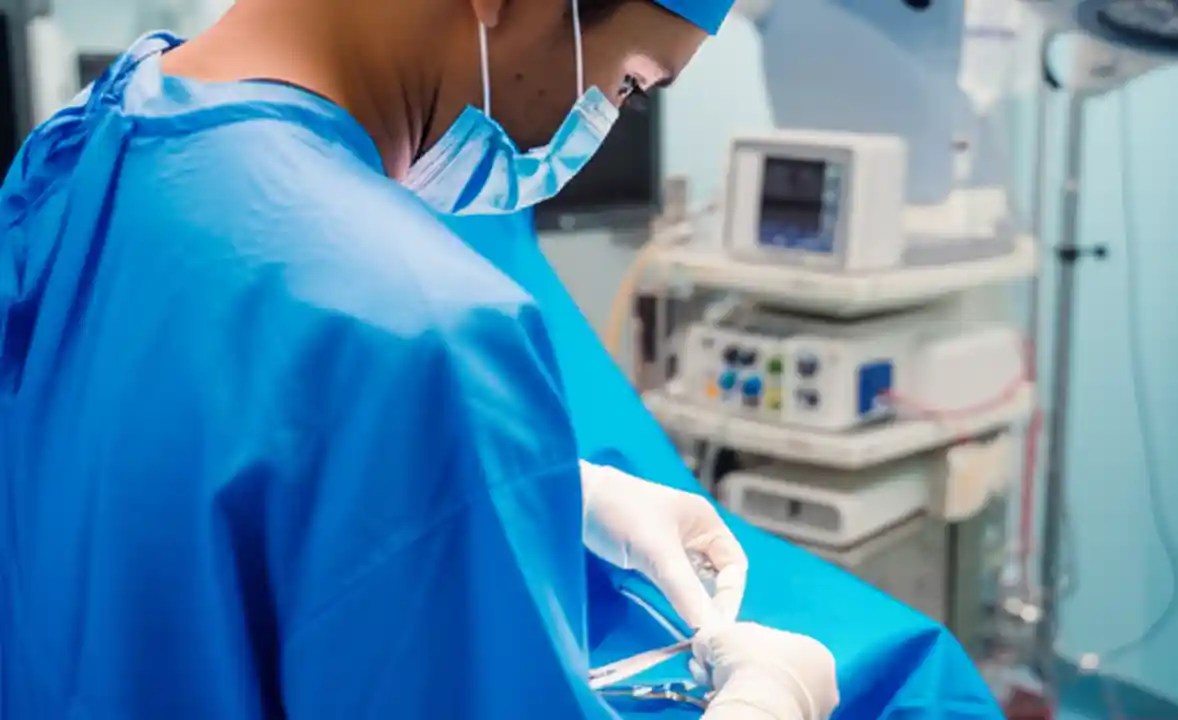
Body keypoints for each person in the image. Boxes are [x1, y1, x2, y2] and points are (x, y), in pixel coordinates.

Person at [0, 0, 839, 718]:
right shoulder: (417, 323)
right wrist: (767, 701)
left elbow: (130, 463)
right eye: (626, 84)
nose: (595, 124)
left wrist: (555, 488)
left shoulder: (77, 152)